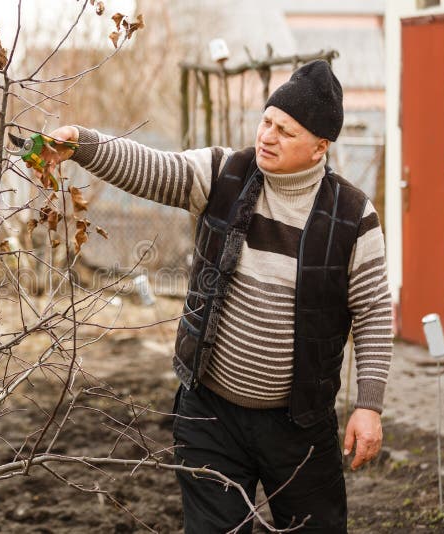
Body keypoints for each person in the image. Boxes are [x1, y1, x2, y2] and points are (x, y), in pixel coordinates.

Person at [32, 60, 392, 533]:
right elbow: (155, 169)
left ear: (319, 147)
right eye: (266, 121)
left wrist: (369, 405)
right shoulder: (226, 173)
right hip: (211, 415)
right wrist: (83, 143)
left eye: (285, 131)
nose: (267, 135)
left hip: (301, 424)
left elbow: (373, 312)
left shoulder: (352, 215)